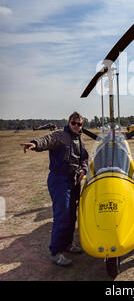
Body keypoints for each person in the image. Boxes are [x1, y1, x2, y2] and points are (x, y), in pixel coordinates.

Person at [21, 112, 89, 266]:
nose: (76, 126)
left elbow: (84, 158)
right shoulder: (60, 136)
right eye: (74, 123)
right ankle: (55, 252)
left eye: (79, 124)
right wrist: (35, 144)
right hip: (59, 180)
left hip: (74, 181)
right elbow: (47, 140)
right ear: (69, 122)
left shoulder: (79, 139)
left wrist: (83, 170)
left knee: (72, 215)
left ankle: (67, 244)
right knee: (62, 215)